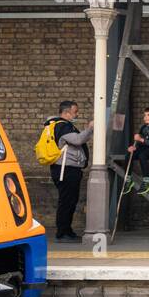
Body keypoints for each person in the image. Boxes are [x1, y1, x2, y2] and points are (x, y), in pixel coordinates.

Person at [47, 100, 92, 241]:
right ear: (66, 113)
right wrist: (90, 128)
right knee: (66, 201)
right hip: (66, 169)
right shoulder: (62, 126)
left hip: (68, 169)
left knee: (70, 201)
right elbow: (78, 140)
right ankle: (62, 233)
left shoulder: (63, 125)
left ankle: (67, 231)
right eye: (75, 111)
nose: (77, 114)